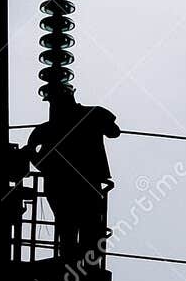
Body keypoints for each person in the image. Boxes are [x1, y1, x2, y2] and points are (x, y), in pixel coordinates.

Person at [27, 88, 120, 265]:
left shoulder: (45, 129)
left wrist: (45, 167)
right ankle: (84, 262)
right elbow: (114, 131)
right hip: (83, 182)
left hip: (61, 183)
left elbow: (31, 153)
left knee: (69, 225)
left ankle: (73, 260)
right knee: (85, 223)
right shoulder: (93, 114)